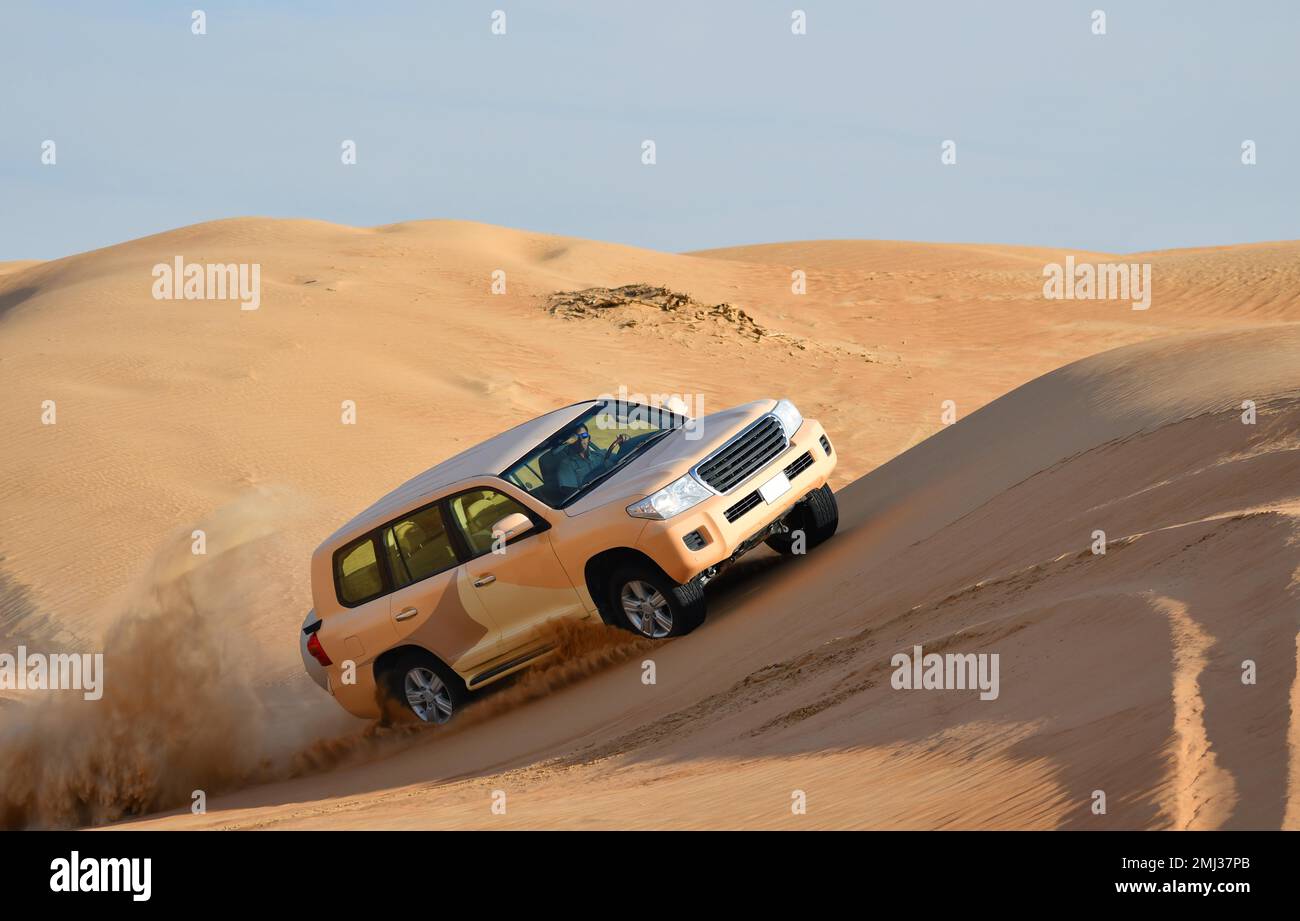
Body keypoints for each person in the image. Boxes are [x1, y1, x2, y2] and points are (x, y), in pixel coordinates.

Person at [553, 425, 628, 490]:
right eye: (576, 438)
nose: (581, 440)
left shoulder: (603, 453)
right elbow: (570, 492)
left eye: (584, 436)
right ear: (570, 442)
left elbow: (625, 462)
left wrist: (625, 445)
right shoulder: (567, 465)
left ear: (589, 438)